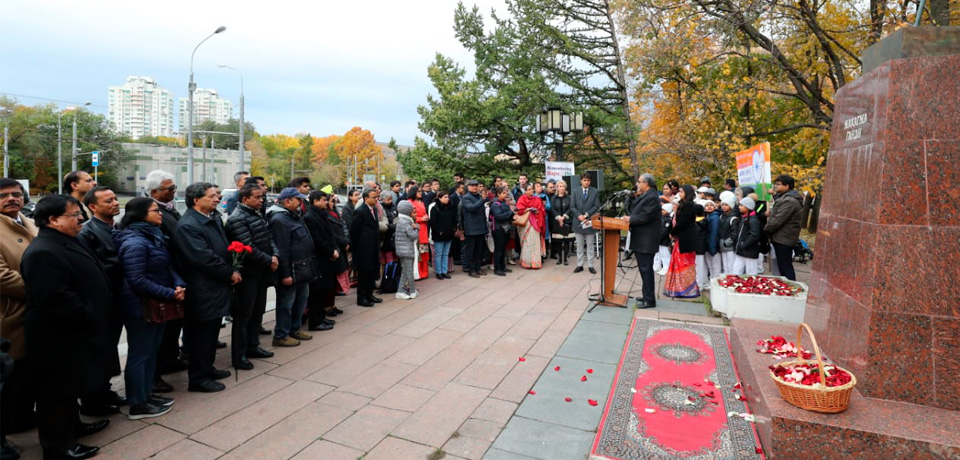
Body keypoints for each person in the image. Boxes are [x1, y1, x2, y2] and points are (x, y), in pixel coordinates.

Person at [21, 195, 110, 460]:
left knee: (71, 386)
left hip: (74, 333)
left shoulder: (65, 240)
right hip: (57, 336)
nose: (80, 218)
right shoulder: (43, 252)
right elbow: (55, 299)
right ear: (53, 220)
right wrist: (88, 314)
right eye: (74, 215)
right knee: (56, 393)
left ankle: (75, 428)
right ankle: (58, 447)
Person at [114, 198, 184, 419]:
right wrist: (170, 293)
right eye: (155, 211)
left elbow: (166, 265)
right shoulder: (134, 242)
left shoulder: (152, 236)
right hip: (140, 308)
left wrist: (179, 284)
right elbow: (137, 280)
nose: (160, 213)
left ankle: (146, 394)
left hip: (156, 304)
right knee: (140, 355)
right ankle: (137, 404)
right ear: (140, 215)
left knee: (151, 352)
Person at [174, 182, 240, 393]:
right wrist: (229, 272)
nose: (217, 199)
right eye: (212, 196)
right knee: (200, 335)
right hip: (201, 288)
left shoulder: (211, 218)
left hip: (215, 286)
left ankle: (207, 368)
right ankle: (198, 378)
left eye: (217, 195)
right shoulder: (189, 225)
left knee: (211, 333)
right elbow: (203, 259)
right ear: (196, 200)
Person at [76, 186, 126, 416]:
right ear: (93, 207)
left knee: (109, 348)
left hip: (118, 299)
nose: (115, 203)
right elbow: (92, 270)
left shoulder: (119, 227)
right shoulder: (87, 232)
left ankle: (104, 390)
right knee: (97, 351)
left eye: (115, 199)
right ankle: (92, 398)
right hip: (102, 301)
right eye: (108, 201)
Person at [0, 179, 39, 455]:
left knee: (27, 373)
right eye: (4, 196)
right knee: (9, 377)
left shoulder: (27, 220)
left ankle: (22, 418)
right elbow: (2, 276)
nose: (12, 199)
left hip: (35, 313)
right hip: (10, 314)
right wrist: (43, 288)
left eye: (16, 194)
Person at [225, 184, 279, 366]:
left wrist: (275, 255)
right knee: (244, 316)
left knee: (258, 312)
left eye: (262, 197)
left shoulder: (257, 213)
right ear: (245, 199)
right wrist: (268, 260)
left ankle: (253, 345)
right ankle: (239, 355)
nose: (261, 200)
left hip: (261, 272)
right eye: (257, 197)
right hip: (248, 274)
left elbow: (270, 237)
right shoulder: (237, 219)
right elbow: (247, 247)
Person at [144, 170, 184, 392]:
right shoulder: (149, 212)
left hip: (175, 277)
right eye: (169, 189)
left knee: (173, 325)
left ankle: (171, 359)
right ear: (154, 192)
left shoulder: (169, 208)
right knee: (161, 329)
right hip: (161, 279)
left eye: (173, 188)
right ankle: (155, 374)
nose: (173, 193)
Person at [267, 188, 316, 347]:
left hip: (302, 268)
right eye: (298, 200)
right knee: (286, 303)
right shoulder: (279, 219)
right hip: (291, 271)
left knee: (301, 300)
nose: (301, 203)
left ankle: (295, 328)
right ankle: (281, 334)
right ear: (287, 201)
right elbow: (282, 249)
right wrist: (285, 274)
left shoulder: (293, 216)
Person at [303, 191, 340, 330]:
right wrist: (331, 251)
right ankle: (316, 321)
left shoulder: (321, 214)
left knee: (324, 290)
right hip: (319, 259)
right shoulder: (310, 217)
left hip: (327, 258)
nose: (327, 202)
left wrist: (335, 249)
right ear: (315, 201)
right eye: (324, 200)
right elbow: (317, 240)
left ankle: (321, 317)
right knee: (317, 292)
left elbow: (330, 235)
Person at [625, 174, 662, 309]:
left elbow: (645, 217)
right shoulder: (646, 195)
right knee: (643, 269)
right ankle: (646, 295)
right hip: (642, 238)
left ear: (646, 183)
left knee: (646, 270)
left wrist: (630, 219)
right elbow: (637, 211)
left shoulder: (652, 197)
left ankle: (650, 300)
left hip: (646, 239)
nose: (637, 184)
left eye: (639, 182)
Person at [664, 185, 702, 298]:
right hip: (681, 237)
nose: (679, 193)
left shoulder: (689, 205)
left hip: (686, 237)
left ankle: (687, 289)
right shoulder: (684, 204)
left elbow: (683, 222)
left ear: (687, 192)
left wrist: (672, 232)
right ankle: (678, 287)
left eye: (681, 191)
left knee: (685, 263)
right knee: (679, 262)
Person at [764, 175, 803, 281]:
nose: (775, 186)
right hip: (781, 237)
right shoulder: (785, 198)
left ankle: (791, 287)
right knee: (781, 266)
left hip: (784, 238)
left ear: (787, 186)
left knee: (785, 266)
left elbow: (777, 220)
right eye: (775, 184)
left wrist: (765, 230)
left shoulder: (790, 201)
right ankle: (784, 286)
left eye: (778, 184)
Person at [352, 189, 383, 307]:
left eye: (377, 197)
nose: (376, 199)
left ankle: (369, 295)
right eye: (374, 197)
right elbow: (354, 231)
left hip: (373, 247)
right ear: (366, 198)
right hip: (363, 248)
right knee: (364, 274)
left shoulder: (374, 210)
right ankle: (362, 297)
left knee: (371, 272)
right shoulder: (360, 211)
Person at [571, 173, 599, 274]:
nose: (586, 182)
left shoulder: (595, 191)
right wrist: (579, 216)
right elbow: (572, 206)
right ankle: (580, 264)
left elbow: (596, 206)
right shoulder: (575, 191)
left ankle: (591, 265)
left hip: (589, 221)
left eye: (588, 180)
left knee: (590, 245)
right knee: (579, 245)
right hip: (578, 221)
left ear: (590, 182)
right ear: (581, 181)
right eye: (584, 180)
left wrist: (586, 215)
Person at [461, 180, 489, 278]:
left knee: (479, 250)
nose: (474, 187)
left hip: (481, 227)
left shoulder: (479, 196)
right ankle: (471, 269)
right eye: (472, 186)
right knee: (471, 250)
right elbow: (471, 208)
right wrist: (482, 200)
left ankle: (478, 268)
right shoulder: (466, 198)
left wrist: (484, 198)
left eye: (476, 185)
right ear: (468, 187)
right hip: (471, 228)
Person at [394, 201, 420, 299]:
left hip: (403, 250)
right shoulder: (405, 222)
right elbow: (414, 236)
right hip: (406, 250)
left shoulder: (401, 220)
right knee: (409, 272)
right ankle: (412, 291)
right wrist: (417, 227)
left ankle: (400, 290)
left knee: (405, 271)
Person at [515, 184, 545, 269]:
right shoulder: (522, 198)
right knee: (526, 243)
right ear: (525, 191)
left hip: (535, 222)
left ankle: (535, 262)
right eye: (529, 189)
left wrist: (536, 212)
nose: (531, 191)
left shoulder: (537, 199)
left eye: (532, 189)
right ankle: (526, 262)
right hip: (526, 223)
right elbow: (519, 210)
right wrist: (527, 210)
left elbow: (542, 211)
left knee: (534, 243)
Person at [429, 191, 456, 280]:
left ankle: (445, 271)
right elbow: (433, 222)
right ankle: (439, 272)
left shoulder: (450, 207)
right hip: (439, 235)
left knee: (446, 253)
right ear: (439, 198)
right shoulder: (435, 208)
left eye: (447, 197)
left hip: (449, 233)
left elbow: (453, 219)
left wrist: (453, 229)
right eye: (445, 197)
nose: (447, 198)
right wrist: (438, 231)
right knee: (438, 254)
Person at [732, 197, 762, 275]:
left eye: (742, 205)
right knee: (735, 272)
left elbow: (754, 235)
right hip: (740, 252)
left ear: (748, 207)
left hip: (749, 252)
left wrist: (743, 245)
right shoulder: (744, 218)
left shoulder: (753, 220)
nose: (739, 207)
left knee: (751, 274)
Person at [489, 187, 515, 276]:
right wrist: (510, 213)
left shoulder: (505, 202)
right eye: (504, 193)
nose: (506, 194)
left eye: (506, 192)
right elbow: (499, 216)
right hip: (498, 229)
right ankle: (497, 268)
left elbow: (508, 214)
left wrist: (512, 214)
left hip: (506, 228)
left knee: (504, 248)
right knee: (498, 249)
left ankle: (503, 266)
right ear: (498, 194)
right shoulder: (495, 204)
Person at [407, 186, 430, 280]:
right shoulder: (409, 202)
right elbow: (408, 217)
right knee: (418, 253)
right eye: (419, 191)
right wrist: (421, 219)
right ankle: (418, 273)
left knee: (424, 253)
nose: (421, 193)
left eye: (421, 191)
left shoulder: (422, 202)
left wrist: (426, 217)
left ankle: (424, 272)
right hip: (416, 228)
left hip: (424, 229)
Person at [549, 180, 573, 266]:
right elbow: (552, 209)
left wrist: (564, 217)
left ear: (565, 187)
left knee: (566, 241)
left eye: (563, 186)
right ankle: (560, 258)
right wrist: (559, 218)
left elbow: (571, 208)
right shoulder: (553, 198)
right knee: (558, 241)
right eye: (560, 186)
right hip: (557, 222)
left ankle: (565, 259)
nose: (562, 188)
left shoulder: (569, 197)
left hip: (567, 221)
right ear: (557, 188)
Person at [718, 195, 740, 273]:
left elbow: (735, 232)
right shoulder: (721, 216)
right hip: (722, 244)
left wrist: (727, 242)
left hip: (729, 246)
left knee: (731, 266)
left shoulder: (733, 218)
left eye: (726, 205)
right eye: (722, 205)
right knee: (725, 266)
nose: (723, 207)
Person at [653, 203, 673, 274]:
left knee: (665, 255)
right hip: (660, 239)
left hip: (664, 240)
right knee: (658, 254)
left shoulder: (668, 219)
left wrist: (659, 238)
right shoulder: (662, 218)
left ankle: (666, 268)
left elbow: (665, 231)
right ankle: (657, 266)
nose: (662, 211)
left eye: (663, 210)